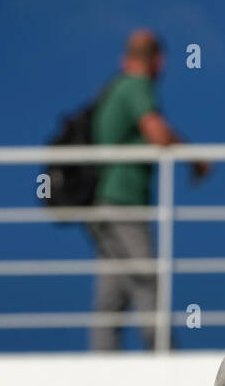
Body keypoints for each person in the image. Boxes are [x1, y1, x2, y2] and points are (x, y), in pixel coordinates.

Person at [88, 29, 208, 351]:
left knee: (113, 290)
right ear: (159, 61)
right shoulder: (136, 86)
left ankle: (102, 361)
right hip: (123, 201)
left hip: (102, 203)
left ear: (124, 57)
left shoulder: (114, 88)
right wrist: (195, 159)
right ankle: (163, 354)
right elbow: (156, 132)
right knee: (146, 278)